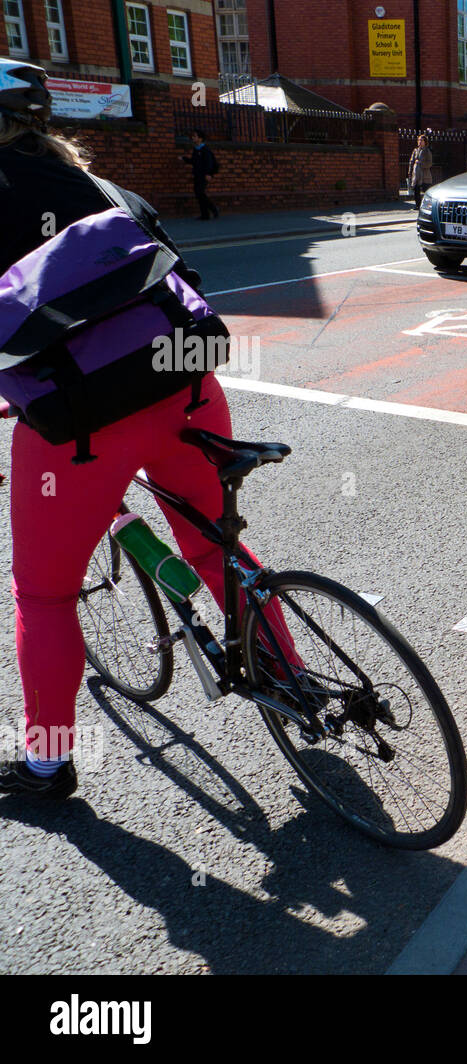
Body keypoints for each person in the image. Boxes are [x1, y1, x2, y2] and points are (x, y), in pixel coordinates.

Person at [0, 59, 289, 797]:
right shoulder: (106, 191)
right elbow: (182, 283)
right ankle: (291, 682)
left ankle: (48, 762)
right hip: (187, 386)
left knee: (45, 595)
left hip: (80, 427)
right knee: (212, 542)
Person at [181, 128, 219, 220]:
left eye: (195, 136)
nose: (193, 138)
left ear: (200, 138)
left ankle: (213, 209)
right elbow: (194, 162)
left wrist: (209, 174)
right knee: (199, 194)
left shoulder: (205, 150)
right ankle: (205, 214)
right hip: (197, 175)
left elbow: (209, 163)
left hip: (204, 175)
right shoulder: (196, 150)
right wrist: (184, 159)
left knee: (200, 193)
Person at [408, 132, 434, 206]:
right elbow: (411, 161)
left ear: (425, 142)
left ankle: (428, 205)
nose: (420, 142)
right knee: (416, 190)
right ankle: (417, 205)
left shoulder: (427, 151)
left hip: (425, 175)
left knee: (426, 190)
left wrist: (421, 164)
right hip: (416, 174)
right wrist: (410, 171)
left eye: (421, 140)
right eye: (419, 140)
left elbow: (429, 163)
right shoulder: (415, 150)